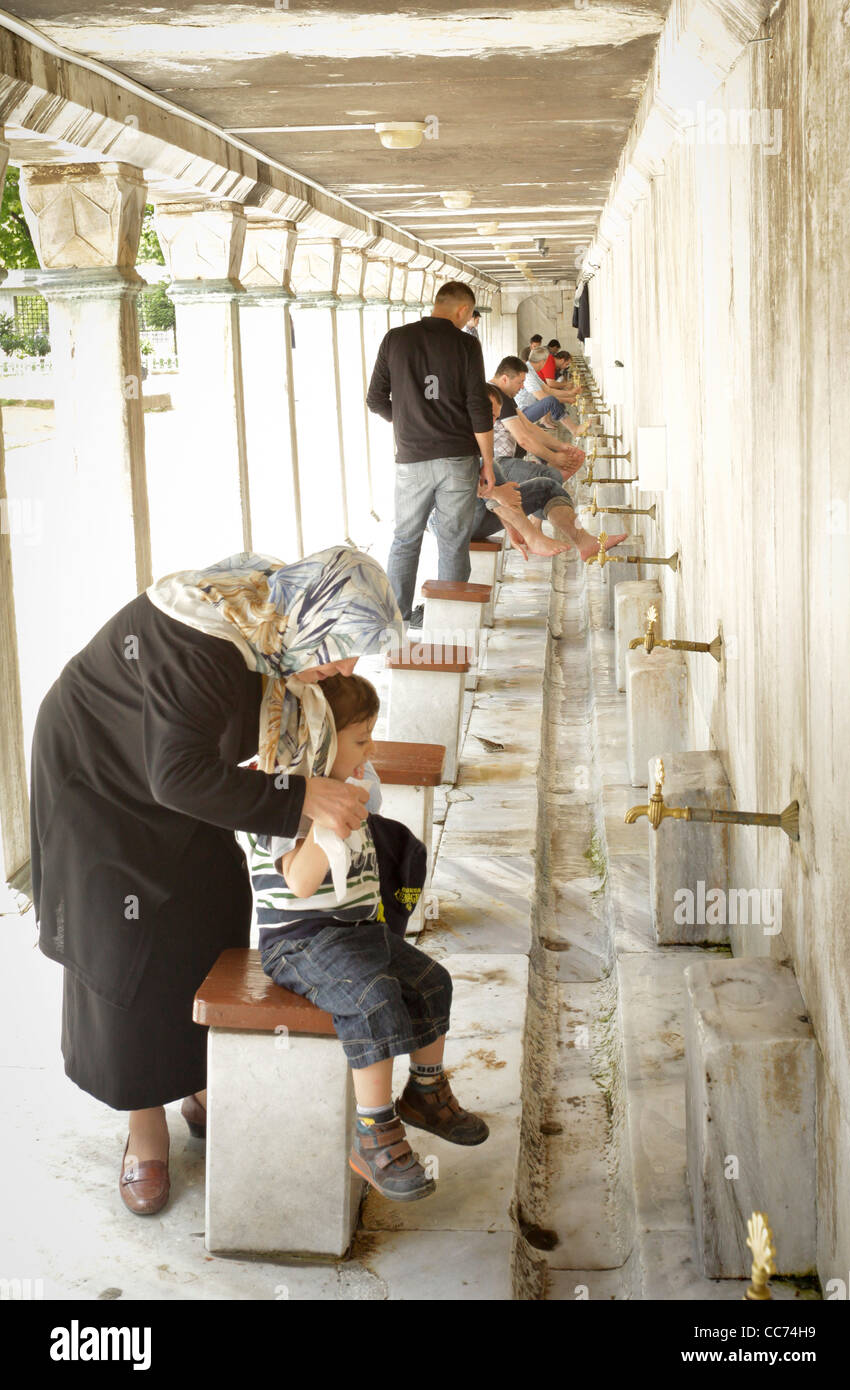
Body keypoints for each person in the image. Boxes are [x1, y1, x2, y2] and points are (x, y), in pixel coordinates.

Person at [29, 546, 402, 1216]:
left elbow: (191, 767)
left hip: (174, 772)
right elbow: (174, 777)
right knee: (125, 946)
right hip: (98, 781)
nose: (344, 668)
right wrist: (300, 798)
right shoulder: (202, 648)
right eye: (342, 650)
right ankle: (146, 1132)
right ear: (313, 617)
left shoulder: (267, 620)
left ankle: (198, 1082)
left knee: (210, 905)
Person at [255, 672, 488, 1203]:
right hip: (300, 940)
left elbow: (373, 802)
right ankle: (374, 1132)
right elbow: (299, 880)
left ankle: (425, 1093)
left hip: (358, 930)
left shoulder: (346, 780)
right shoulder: (279, 794)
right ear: (318, 739)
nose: (371, 748)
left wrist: (355, 777)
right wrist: (325, 822)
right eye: (360, 739)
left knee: (432, 981)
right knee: (372, 998)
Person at [366, 280, 495, 628]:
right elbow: (478, 407)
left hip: (412, 459)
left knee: (405, 540)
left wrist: (409, 419)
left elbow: (375, 399)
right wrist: (489, 463)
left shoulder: (396, 339)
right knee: (453, 542)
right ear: (463, 310)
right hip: (458, 458)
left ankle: (397, 623)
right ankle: (448, 626)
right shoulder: (467, 345)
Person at [434, 385, 616, 562]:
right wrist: (494, 492)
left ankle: (584, 541)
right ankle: (532, 535)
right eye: (489, 415)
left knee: (547, 486)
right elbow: (449, 482)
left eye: (495, 418)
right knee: (489, 468)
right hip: (449, 520)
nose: (490, 423)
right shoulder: (452, 434)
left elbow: (529, 430)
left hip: (475, 516)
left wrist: (512, 529)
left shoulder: (480, 434)